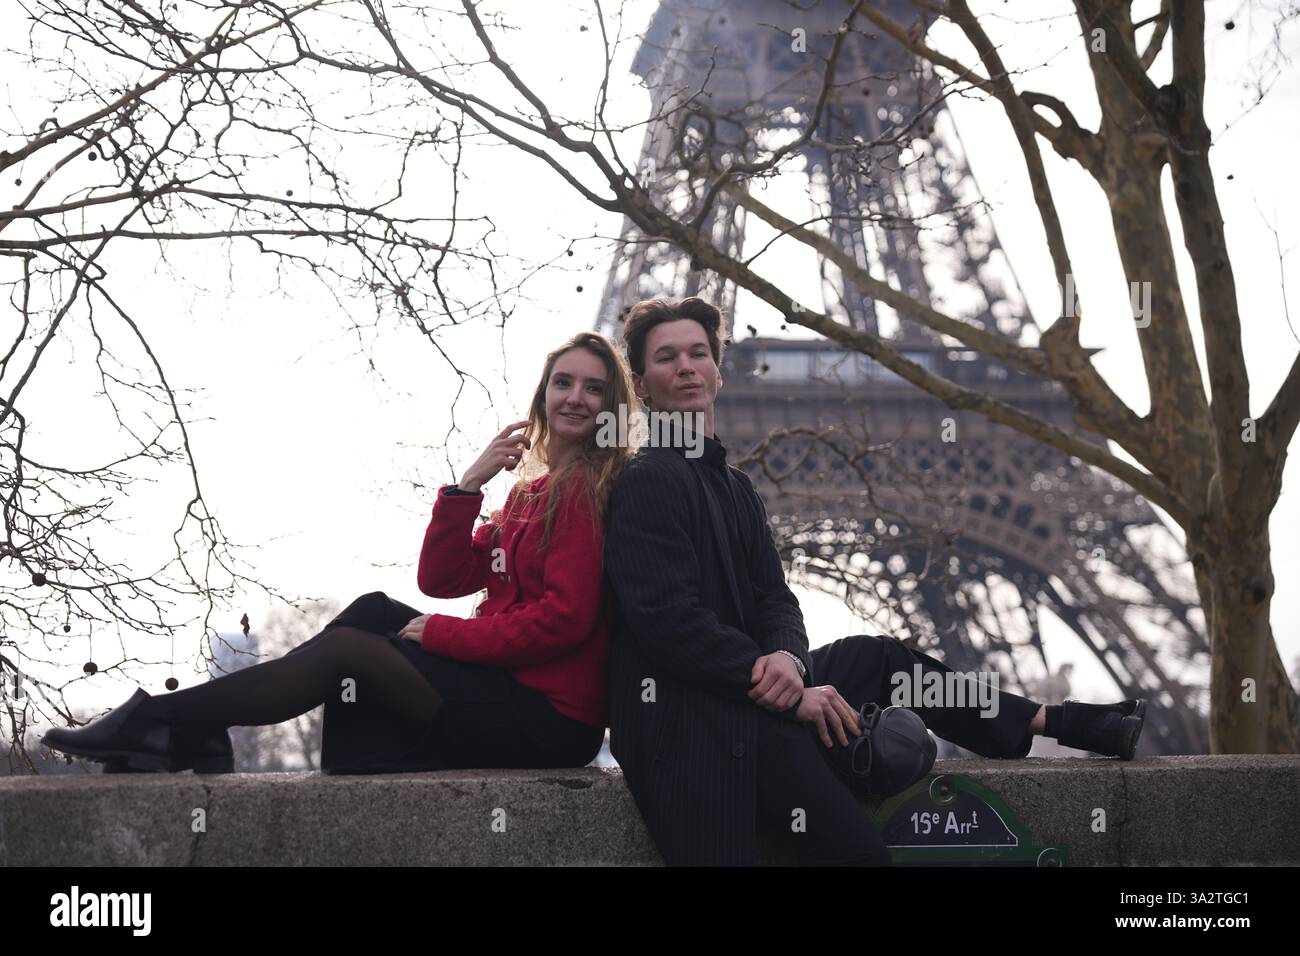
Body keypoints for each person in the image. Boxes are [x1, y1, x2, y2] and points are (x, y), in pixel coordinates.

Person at [602, 295, 1147, 867]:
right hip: (706, 719)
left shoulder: (734, 485)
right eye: (667, 358)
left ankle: (1056, 720)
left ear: (717, 369)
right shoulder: (649, 480)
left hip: (753, 691)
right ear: (640, 385)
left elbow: (775, 600)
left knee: (880, 658)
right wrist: (779, 685)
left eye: (698, 352)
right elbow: (667, 621)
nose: (686, 366)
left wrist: (788, 657)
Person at [41, 331, 637, 775]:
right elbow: (443, 577)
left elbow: (565, 620)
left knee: (356, 648)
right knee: (375, 611)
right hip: (509, 690)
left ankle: (164, 722)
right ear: (543, 394)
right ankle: (189, 726)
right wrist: (467, 486)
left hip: (551, 719)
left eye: (593, 388)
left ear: (610, 406)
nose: (576, 397)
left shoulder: (583, 491)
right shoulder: (532, 491)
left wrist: (442, 638)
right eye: (564, 382)